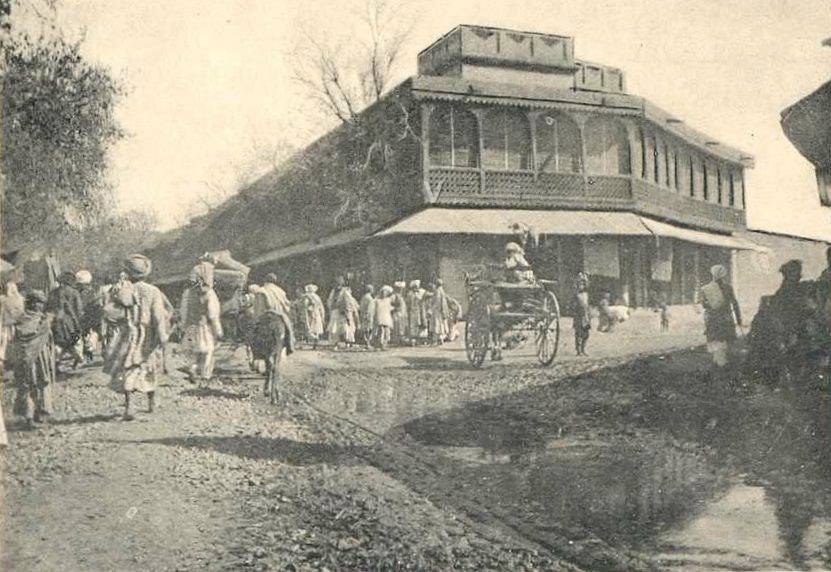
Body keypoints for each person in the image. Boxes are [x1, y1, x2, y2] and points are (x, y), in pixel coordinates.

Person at [103, 254, 170, 421]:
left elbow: (109, 313)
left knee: (127, 367)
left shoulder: (121, 290)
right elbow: (158, 316)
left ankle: (129, 405)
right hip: (147, 334)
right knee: (148, 365)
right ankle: (151, 402)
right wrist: (162, 336)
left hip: (126, 333)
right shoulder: (153, 291)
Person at [11, 290, 56, 429]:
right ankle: (34, 415)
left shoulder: (20, 320)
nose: (41, 305)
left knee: (28, 385)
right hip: (37, 359)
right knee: (37, 384)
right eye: (39, 302)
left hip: (26, 359)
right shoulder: (42, 321)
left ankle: (32, 415)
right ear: (33, 303)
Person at [180, 263, 223, 384]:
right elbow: (213, 314)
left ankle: (192, 368)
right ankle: (205, 376)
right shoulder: (209, 293)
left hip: (191, 326)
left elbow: (183, 310)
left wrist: (183, 326)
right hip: (204, 326)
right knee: (208, 351)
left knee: (193, 351)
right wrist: (218, 330)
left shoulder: (188, 292)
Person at [700, 264, 742, 368]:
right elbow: (735, 304)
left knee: (716, 343)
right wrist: (739, 319)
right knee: (727, 344)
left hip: (713, 320)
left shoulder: (706, 289)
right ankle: (725, 365)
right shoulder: (728, 288)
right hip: (725, 319)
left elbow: (704, 305)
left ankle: (719, 364)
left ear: (712, 274)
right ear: (724, 275)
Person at [46, 271, 85, 370]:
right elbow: (79, 309)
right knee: (75, 340)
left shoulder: (53, 292)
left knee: (58, 342)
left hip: (56, 321)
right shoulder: (74, 292)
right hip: (71, 321)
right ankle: (78, 359)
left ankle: (56, 362)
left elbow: (48, 307)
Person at [75, 270, 102, 363]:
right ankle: (87, 353)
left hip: (88, 316)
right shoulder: (92, 292)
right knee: (87, 336)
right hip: (88, 316)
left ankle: (88, 353)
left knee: (88, 335)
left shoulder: (85, 293)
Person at [0, 281, 25, 377]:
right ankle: (14, 366)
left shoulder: (2, 299)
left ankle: (2, 364)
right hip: (17, 326)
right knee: (15, 345)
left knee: (4, 345)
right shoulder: (21, 299)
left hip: (5, 326)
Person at [573, 272, 591, 356]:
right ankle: (578, 350)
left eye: (583, 284)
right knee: (578, 334)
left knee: (586, 334)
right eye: (580, 284)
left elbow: (587, 305)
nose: (581, 286)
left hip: (586, 316)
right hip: (579, 316)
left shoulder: (586, 294)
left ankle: (584, 349)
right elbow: (574, 306)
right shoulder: (576, 294)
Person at [303, 284, 326, 349]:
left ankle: (314, 339)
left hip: (310, 312)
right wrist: (322, 315)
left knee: (310, 327)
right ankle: (315, 342)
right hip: (317, 312)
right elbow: (321, 307)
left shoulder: (307, 297)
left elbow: (305, 305)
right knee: (316, 328)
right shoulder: (317, 297)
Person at [429, 279, 450, 345]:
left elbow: (437, 302)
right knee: (441, 324)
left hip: (437, 310)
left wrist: (432, 309)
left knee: (437, 324)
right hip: (441, 311)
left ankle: (436, 340)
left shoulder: (438, 291)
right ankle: (441, 338)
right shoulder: (442, 291)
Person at [406, 280, 427, 345]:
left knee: (418, 324)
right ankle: (413, 339)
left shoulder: (419, 293)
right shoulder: (410, 294)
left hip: (418, 311)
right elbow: (408, 303)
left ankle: (418, 338)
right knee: (412, 325)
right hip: (412, 311)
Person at [374, 285, 393, 350]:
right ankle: (380, 344)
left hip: (386, 317)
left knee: (387, 331)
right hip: (380, 317)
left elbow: (390, 308)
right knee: (381, 331)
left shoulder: (388, 300)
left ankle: (385, 344)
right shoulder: (377, 300)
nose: (384, 294)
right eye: (383, 292)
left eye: (386, 292)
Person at [391, 281, 408, 345]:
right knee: (397, 326)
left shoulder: (402, 296)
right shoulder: (394, 296)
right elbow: (391, 304)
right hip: (397, 313)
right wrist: (395, 308)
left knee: (402, 326)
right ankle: (396, 340)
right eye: (399, 289)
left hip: (402, 313)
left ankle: (401, 339)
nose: (401, 290)